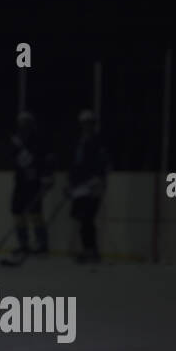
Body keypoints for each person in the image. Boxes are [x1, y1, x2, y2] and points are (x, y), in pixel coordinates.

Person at [9, 111, 55, 258]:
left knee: (35, 214)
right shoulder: (15, 141)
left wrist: (47, 176)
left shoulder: (38, 140)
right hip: (20, 182)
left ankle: (42, 245)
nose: (23, 126)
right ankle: (24, 245)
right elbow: (13, 159)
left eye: (26, 123)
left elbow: (47, 159)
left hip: (34, 183)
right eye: (21, 123)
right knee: (17, 213)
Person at [67, 109, 109, 263]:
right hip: (79, 187)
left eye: (89, 123)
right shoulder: (79, 142)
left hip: (92, 185)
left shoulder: (98, 142)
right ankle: (88, 249)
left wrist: (98, 180)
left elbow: (102, 163)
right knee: (80, 217)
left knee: (87, 218)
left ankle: (91, 250)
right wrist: (70, 184)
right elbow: (74, 165)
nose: (87, 126)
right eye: (84, 124)